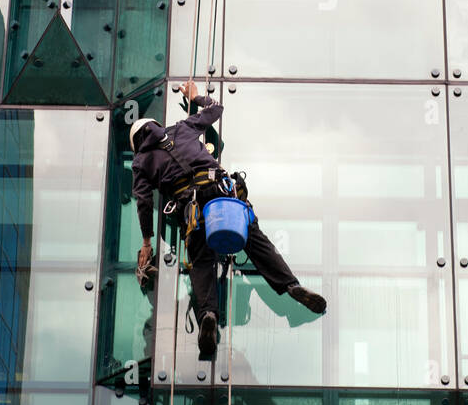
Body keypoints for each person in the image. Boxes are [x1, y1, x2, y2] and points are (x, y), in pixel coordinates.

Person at [131, 80, 326, 358]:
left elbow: (143, 202)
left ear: (136, 143)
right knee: (255, 240)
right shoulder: (181, 128)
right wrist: (196, 97)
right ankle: (290, 285)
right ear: (156, 127)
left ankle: (208, 313)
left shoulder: (141, 161)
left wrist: (147, 242)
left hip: (193, 207)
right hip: (224, 195)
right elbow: (216, 109)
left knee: (201, 261)